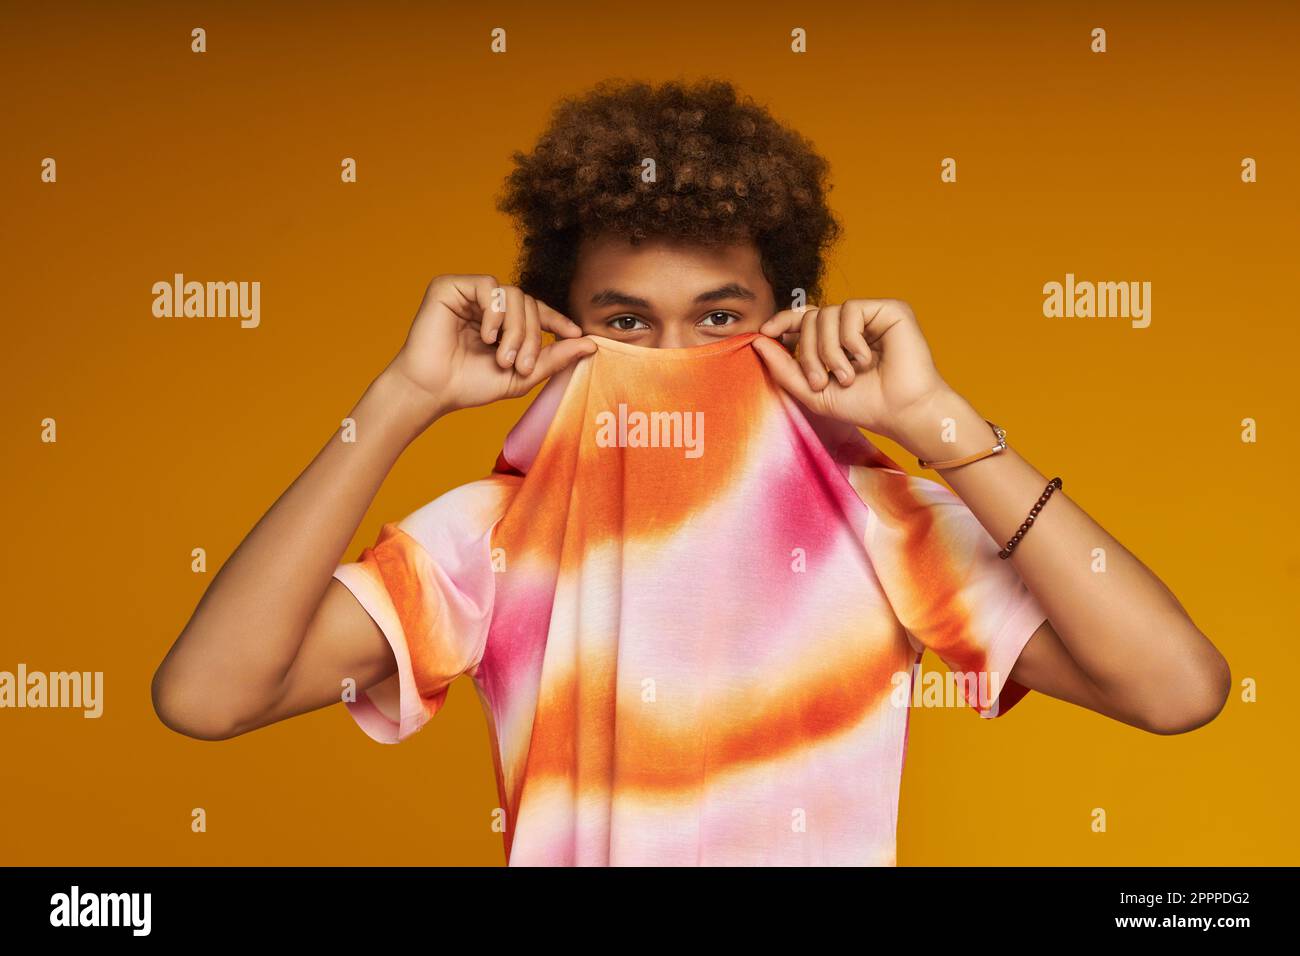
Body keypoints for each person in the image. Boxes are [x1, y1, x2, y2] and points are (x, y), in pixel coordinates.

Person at [151, 78, 1231, 865]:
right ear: (563, 331)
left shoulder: (879, 521)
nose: (673, 358)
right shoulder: (495, 535)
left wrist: (938, 421)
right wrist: (397, 402)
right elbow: (205, 696)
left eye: (719, 315)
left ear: (786, 323)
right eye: (627, 320)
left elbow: (1176, 688)